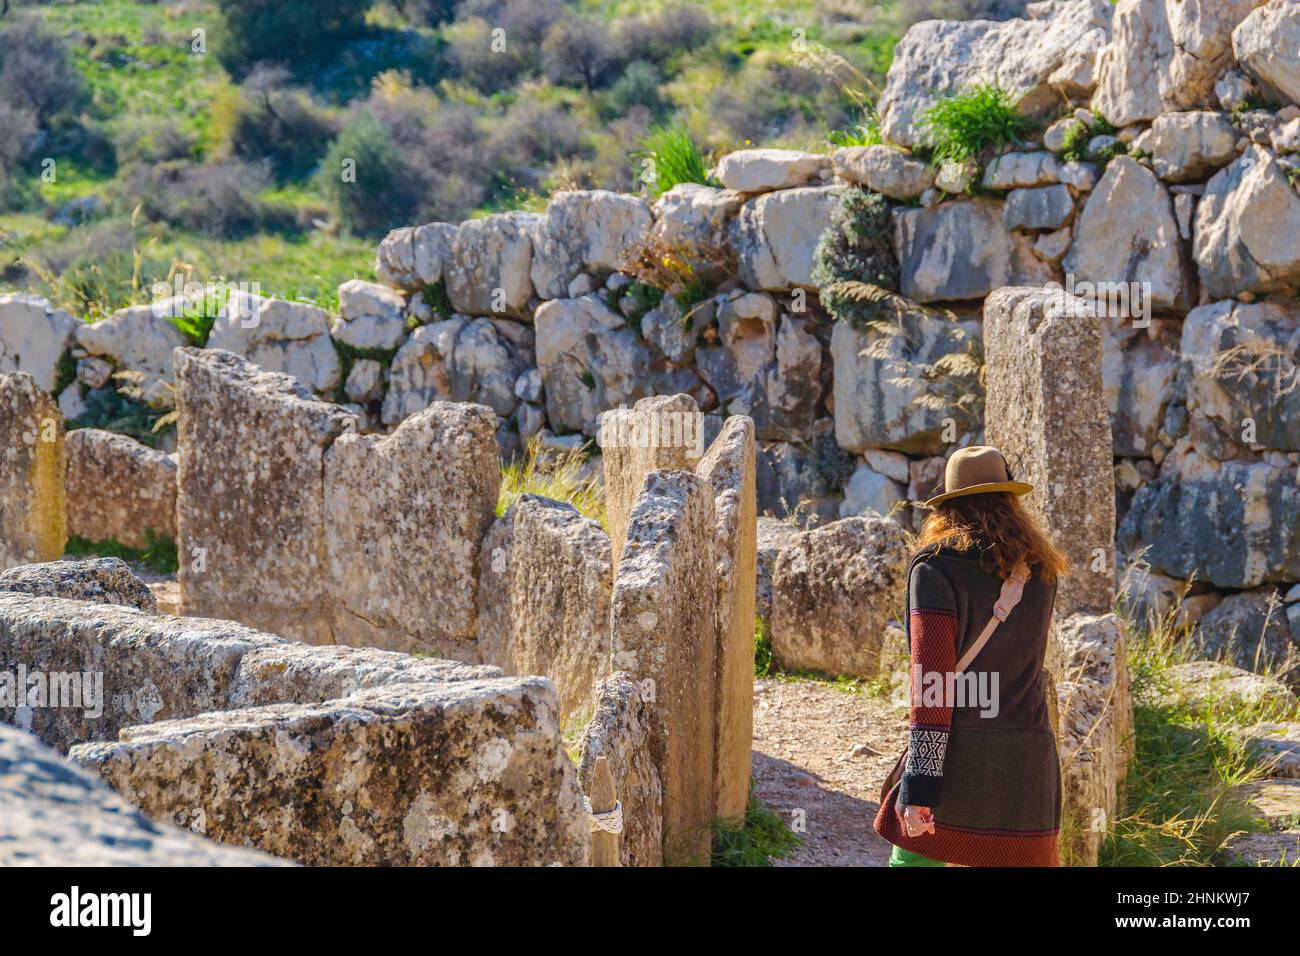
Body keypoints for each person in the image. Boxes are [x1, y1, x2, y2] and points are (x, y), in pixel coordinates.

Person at [873, 445, 1069, 867]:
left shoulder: (936, 571)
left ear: (946, 507)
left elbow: (933, 686)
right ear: (1010, 501)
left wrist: (920, 785)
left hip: (959, 762)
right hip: (1029, 765)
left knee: (911, 862)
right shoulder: (1040, 573)